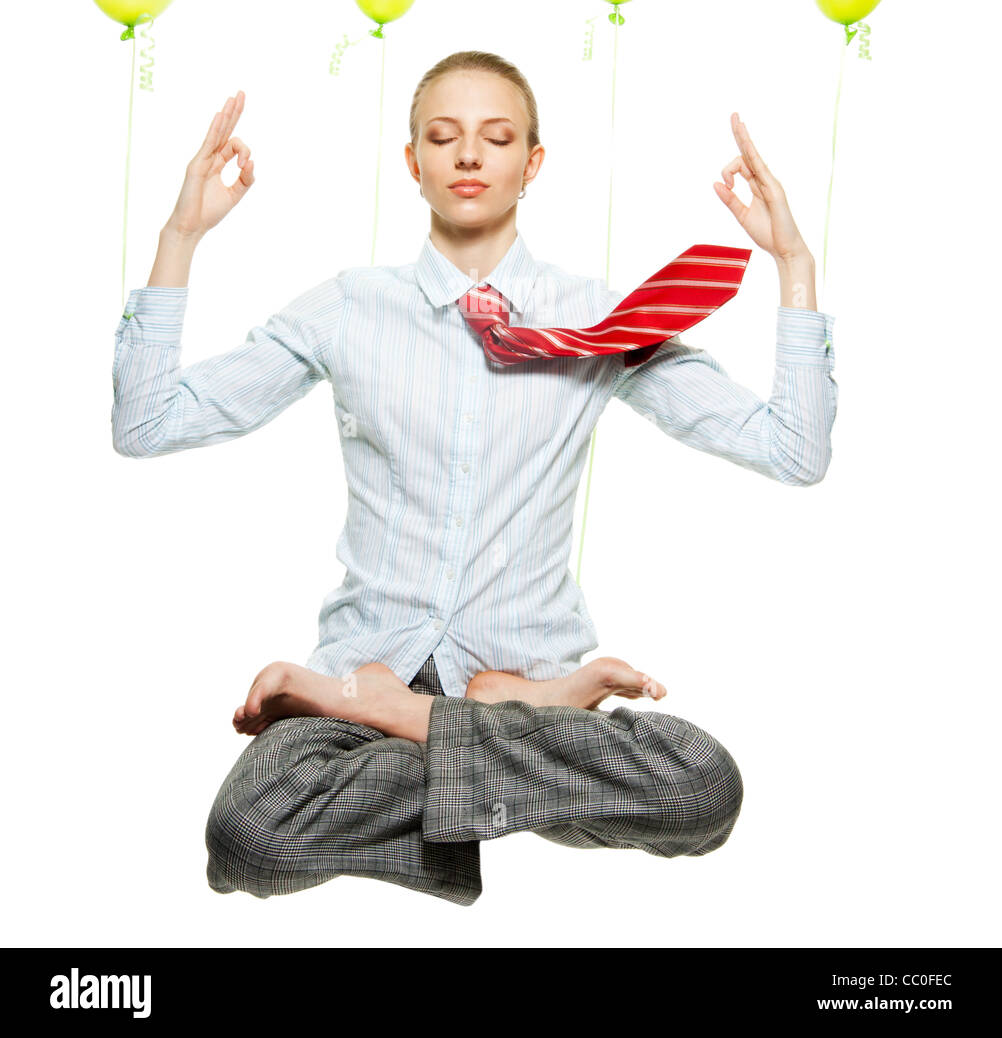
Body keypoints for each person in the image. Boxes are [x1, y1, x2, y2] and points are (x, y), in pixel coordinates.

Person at [112, 50, 837, 906]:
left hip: (508, 690)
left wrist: (794, 262)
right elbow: (146, 422)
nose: (467, 156)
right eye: (443, 137)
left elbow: (794, 449)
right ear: (411, 161)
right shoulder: (349, 306)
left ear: (531, 165)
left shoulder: (599, 321)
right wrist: (179, 237)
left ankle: (412, 721)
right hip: (374, 679)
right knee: (248, 834)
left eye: (496, 138)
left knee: (702, 789)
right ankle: (453, 739)